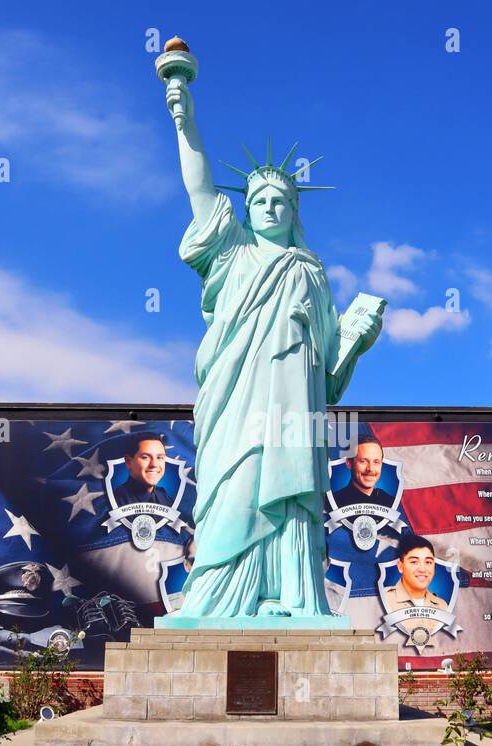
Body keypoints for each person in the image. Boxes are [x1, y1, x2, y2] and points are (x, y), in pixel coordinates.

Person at [162, 71, 381, 618]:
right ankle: (218, 599)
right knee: (233, 484)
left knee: (290, 493)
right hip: (235, 402)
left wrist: (358, 337)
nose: (268, 208)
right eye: (258, 200)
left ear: (294, 212)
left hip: (293, 407)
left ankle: (292, 596)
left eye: (280, 201)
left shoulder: (311, 272)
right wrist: (184, 121)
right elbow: (200, 190)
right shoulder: (232, 252)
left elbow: (329, 374)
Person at [383, 535, 449, 611]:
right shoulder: (384, 599)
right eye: (414, 562)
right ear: (400, 566)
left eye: (428, 562)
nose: (422, 569)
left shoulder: (442, 606)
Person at [332, 437, 395, 509]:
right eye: (363, 461)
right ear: (349, 463)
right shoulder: (334, 502)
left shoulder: (390, 502)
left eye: (376, 462)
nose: (370, 469)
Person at [114, 432, 172, 507]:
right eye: (145, 457)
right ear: (128, 461)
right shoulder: (117, 500)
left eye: (159, 457)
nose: (154, 464)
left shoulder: (164, 497)